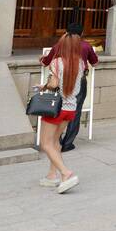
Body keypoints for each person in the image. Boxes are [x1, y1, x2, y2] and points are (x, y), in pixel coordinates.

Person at [41, 22, 98, 152]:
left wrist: (42, 59)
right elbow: (95, 63)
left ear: (66, 32)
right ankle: (68, 143)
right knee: (75, 111)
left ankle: (56, 141)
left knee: (58, 109)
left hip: (60, 81)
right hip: (79, 81)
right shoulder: (86, 46)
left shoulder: (59, 45)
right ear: (82, 33)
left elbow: (46, 62)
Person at [38, 32, 83, 194]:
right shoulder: (81, 63)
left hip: (55, 107)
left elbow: (54, 85)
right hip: (70, 108)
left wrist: (44, 86)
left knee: (46, 143)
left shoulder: (57, 63)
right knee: (55, 142)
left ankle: (65, 172)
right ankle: (52, 175)